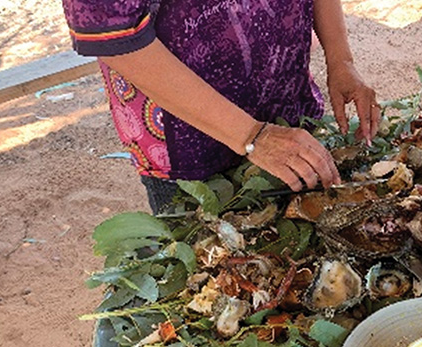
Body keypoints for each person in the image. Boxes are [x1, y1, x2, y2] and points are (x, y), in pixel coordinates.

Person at [62, 0, 379, 213]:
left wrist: (341, 60)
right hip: (189, 141)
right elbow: (116, 38)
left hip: (287, 109)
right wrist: (251, 136)